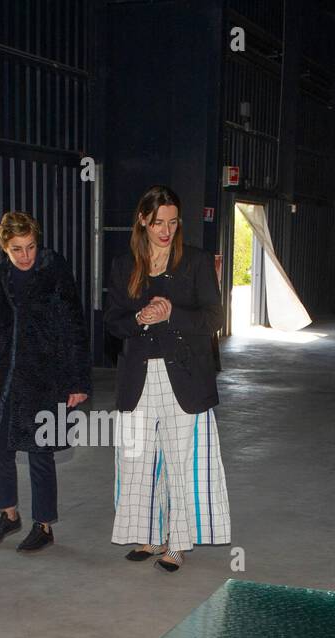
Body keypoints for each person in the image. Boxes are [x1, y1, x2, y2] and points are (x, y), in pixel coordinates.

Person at [104, 185, 231, 572]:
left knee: (181, 463)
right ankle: (148, 536)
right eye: (159, 222)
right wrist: (139, 320)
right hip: (138, 378)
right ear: (143, 220)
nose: (166, 231)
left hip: (185, 379)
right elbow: (112, 321)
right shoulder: (124, 266)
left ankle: (176, 543)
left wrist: (171, 313)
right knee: (137, 462)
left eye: (173, 223)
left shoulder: (195, 262)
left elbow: (214, 318)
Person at [0, 212, 91, 551]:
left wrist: (77, 381)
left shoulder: (54, 268)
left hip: (46, 373)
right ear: (4, 248)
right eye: (16, 249)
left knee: (41, 451)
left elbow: (73, 323)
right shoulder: (3, 272)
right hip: (6, 372)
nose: (25, 256)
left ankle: (44, 526)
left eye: (30, 247)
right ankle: (9, 515)